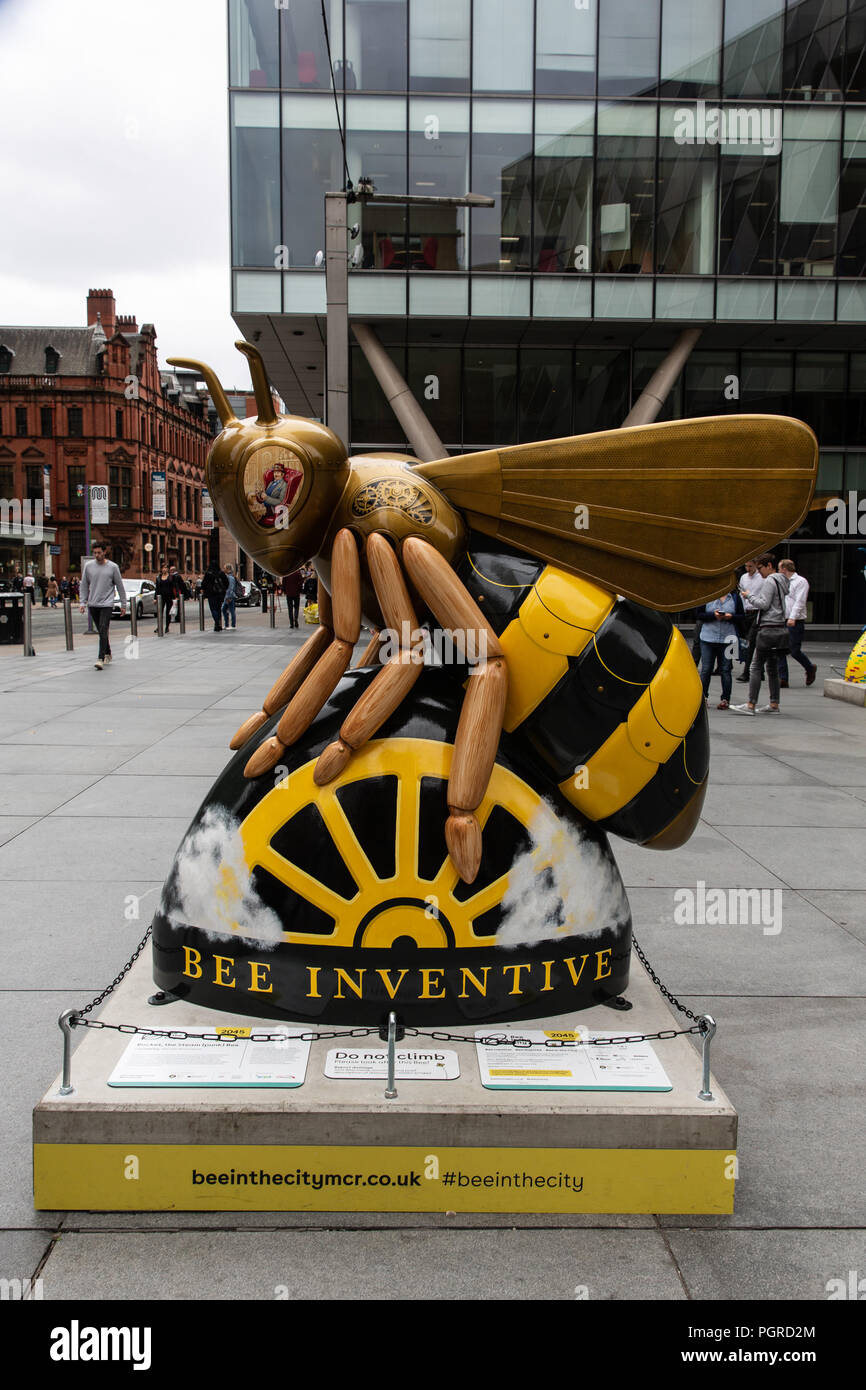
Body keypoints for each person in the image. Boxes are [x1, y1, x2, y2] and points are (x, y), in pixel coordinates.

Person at [731, 554, 790, 715]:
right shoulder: (782, 580)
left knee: (755, 666)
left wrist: (748, 595)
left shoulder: (770, 581)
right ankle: (774, 704)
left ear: (768, 566)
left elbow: (763, 604)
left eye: (760, 569)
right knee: (772, 668)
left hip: (767, 628)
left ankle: (751, 704)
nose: (760, 573)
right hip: (779, 627)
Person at [79, 543, 126, 669]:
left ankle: (100, 658)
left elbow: (120, 586)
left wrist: (123, 604)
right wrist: (82, 602)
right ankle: (108, 652)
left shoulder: (113, 567)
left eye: (99, 552)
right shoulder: (88, 567)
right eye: (95, 553)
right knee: (101, 631)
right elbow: (83, 585)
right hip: (93, 603)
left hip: (107, 603)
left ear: (104, 552)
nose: (96, 555)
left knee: (103, 628)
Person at [777, 559, 817, 688]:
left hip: (795, 620)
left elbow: (800, 601)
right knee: (780, 650)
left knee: (794, 650)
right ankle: (783, 678)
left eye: (779, 568)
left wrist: (792, 617)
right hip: (782, 618)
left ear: (784, 568)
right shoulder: (781, 581)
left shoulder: (801, 581)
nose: (778, 571)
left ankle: (810, 668)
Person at [698, 590, 740, 709]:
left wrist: (731, 617)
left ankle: (725, 699)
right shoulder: (708, 595)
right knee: (706, 669)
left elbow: (741, 616)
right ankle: (703, 697)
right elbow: (699, 614)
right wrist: (713, 615)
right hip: (708, 638)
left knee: (726, 670)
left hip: (728, 639)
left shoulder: (734, 598)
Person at [736, 559, 763, 681]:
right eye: (746, 566)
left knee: (751, 642)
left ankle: (747, 671)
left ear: (756, 565)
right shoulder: (743, 577)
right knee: (746, 641)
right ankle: (759, 670)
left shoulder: (761, 578)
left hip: (756, 611)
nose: (748, 569)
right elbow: (741, 594)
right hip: (746, 611)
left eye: (750, 566)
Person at [201, 560, 228, 631]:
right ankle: (217, 625)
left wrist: (204, 590)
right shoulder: (221, 573)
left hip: (211, 594)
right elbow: (226, 583)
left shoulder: (208, 574)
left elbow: (203, 584)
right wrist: (223, 590)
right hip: (220, 594)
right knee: (218, 609)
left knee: (213, 609)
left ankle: (217, 622)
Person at [222, 564, 238, 629]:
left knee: (230, 610)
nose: (224, 569)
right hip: (229, 596)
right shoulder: (230, 576)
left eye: (225, 568)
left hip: (229, 596)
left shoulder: (230, 577)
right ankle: (227, 625)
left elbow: (230, 588)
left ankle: (232, 625)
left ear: (228, 569)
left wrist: (229, 597)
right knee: (226, 610)